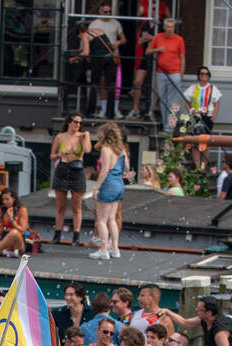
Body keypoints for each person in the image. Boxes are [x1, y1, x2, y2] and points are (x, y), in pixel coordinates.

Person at [50, 115, 91, 245]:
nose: (78, 125)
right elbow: (52, 155)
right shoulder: (60, 137)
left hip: (77, 170)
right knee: (60, 205)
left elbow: (87, 150)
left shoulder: (82, 136)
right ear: (69, 122)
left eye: (80, 123)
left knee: (76, 206)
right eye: (75, 122)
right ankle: (57, 234)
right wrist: (58, 155)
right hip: (62, 168)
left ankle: (76, 236)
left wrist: (86, 137)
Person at [90, 123, 128, 261]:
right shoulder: (121, 149)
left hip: (109, 183)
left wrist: (96, 188)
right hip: (119, 183)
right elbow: (126, 168)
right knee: (112, 218)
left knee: (101, 220)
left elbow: (104, 170)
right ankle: (115, 248)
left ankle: (104, 249)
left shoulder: (106, 149)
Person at [80, 3, 124, 117]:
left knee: (111, 83)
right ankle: (104, 109)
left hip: (110, 56)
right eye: (106, 12)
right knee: (103, 83)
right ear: (100, 11)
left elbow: (123, 39)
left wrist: (118, 42)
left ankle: (109, 110)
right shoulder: (94, 24)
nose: (108, 14)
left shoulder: (116, 23)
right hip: (101, 57)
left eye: (110, 12)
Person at [141, 16, 185, 125]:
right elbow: (147, 51)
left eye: (172, 27)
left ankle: (171, 125)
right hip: (161, 73)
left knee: (173, 101)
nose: (170, 29)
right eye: (168, 27)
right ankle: (166, 125)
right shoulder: (158, 37)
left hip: (175, 73)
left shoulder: (179, 39)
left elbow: (182, 57)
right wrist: (157, 50)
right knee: (163, 100)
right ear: (164, 27)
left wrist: (181, 74)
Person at [184, 66, 221, 167]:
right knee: (195, 142)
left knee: (205, 142)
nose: (204, 76)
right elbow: (186, 101)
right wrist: (190, 110)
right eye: (202, 74)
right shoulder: (193, 88)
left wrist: (213, 116)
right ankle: (197, 166)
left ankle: (204, 165)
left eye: (206, 74)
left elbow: (217, 103)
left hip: (206, 117)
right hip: (196, 117)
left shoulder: (212, 88)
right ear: (198, 76)